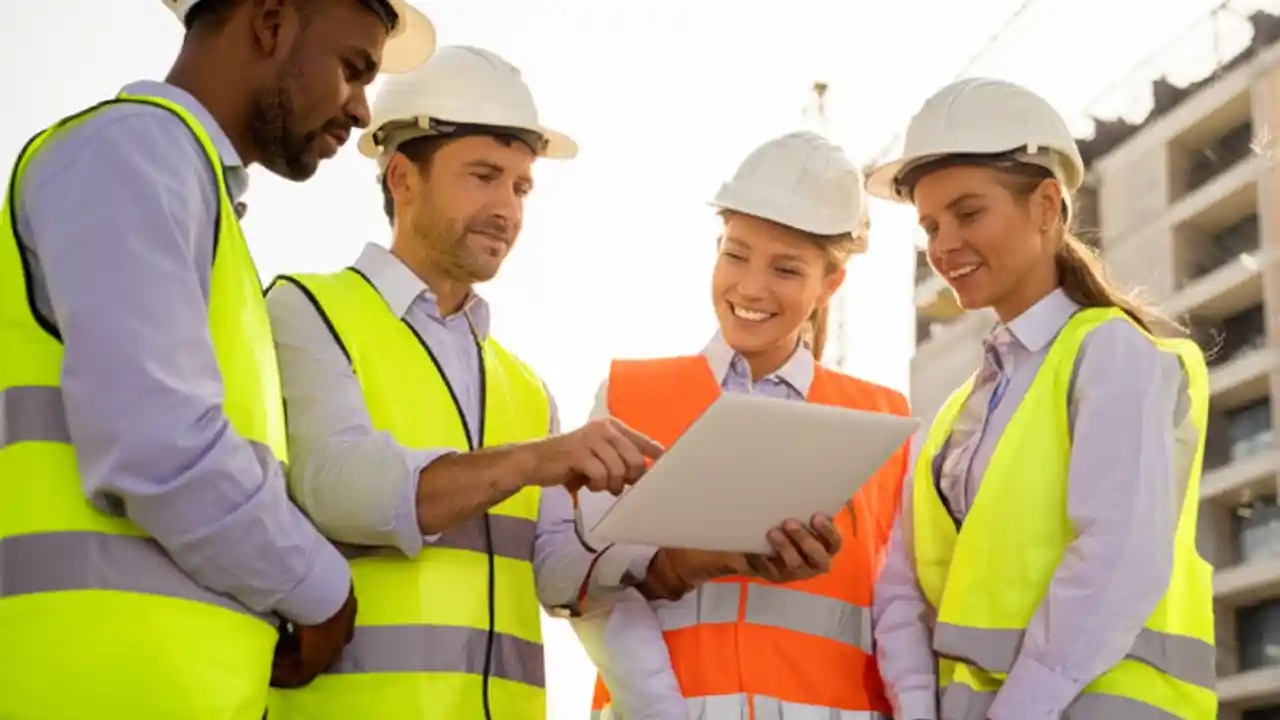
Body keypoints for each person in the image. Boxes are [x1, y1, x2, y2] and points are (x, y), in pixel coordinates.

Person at [0, 1, 435, 718]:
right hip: (86, 689)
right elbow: (158, 443)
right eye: (352, 69)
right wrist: (320, 587)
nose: (361, 111)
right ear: (270, 22)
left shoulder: (189, 191)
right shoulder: (135, 152)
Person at [260, 45, 671, 720]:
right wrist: (541, 459)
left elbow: (558, 573)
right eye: (483, 176)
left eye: (520, 187)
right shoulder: (307, 310)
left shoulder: (524, 387)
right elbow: (341, 488)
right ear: (402, 178)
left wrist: (691, 547)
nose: (507, 209)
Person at [866, 78, 1216, 720]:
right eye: (931, 225)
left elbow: (1117, 559)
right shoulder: (953, 418)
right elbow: (902, 592)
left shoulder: (1112, 354)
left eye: (968, 214)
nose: (942, 246)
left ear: (1047, 206)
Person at [574, 131, 911, 720]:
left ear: (830, 285)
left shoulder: (881, 422)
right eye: (735, 255)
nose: (751, 288)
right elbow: (576, 583)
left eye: (785, 269)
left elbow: (902, 616)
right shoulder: (630, 395)